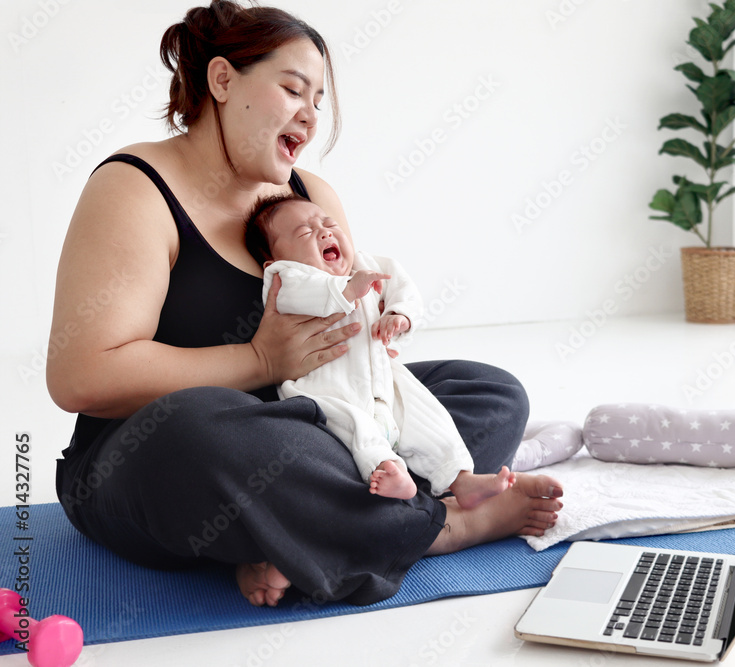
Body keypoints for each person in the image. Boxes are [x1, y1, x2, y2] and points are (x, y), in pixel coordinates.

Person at [47, 0, 562, 608]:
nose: (311, 117)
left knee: (492, 394)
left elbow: (362, 333)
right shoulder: (136, 187)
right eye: (294, 90)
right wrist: (261, 362)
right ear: (221, 80)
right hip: (165, 455)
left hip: (318, 431)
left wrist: (386, 323)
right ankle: (447, 525)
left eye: (319, 101)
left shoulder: (309, 195)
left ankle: (286, 539)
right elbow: (81, 378)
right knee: (201, 433)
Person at [245, 193, 516, 505]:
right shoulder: (286, 279)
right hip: (327, 389)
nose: (325, 232)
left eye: (329, 224)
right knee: (353, 426)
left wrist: (398, 314)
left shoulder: (365, 265)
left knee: (424, 411)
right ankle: (387, 471)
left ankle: (459, 477)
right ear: (275, 261)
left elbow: (401, 285)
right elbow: (309, 294)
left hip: (384, 386)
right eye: (305, 233)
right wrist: (348, 289)